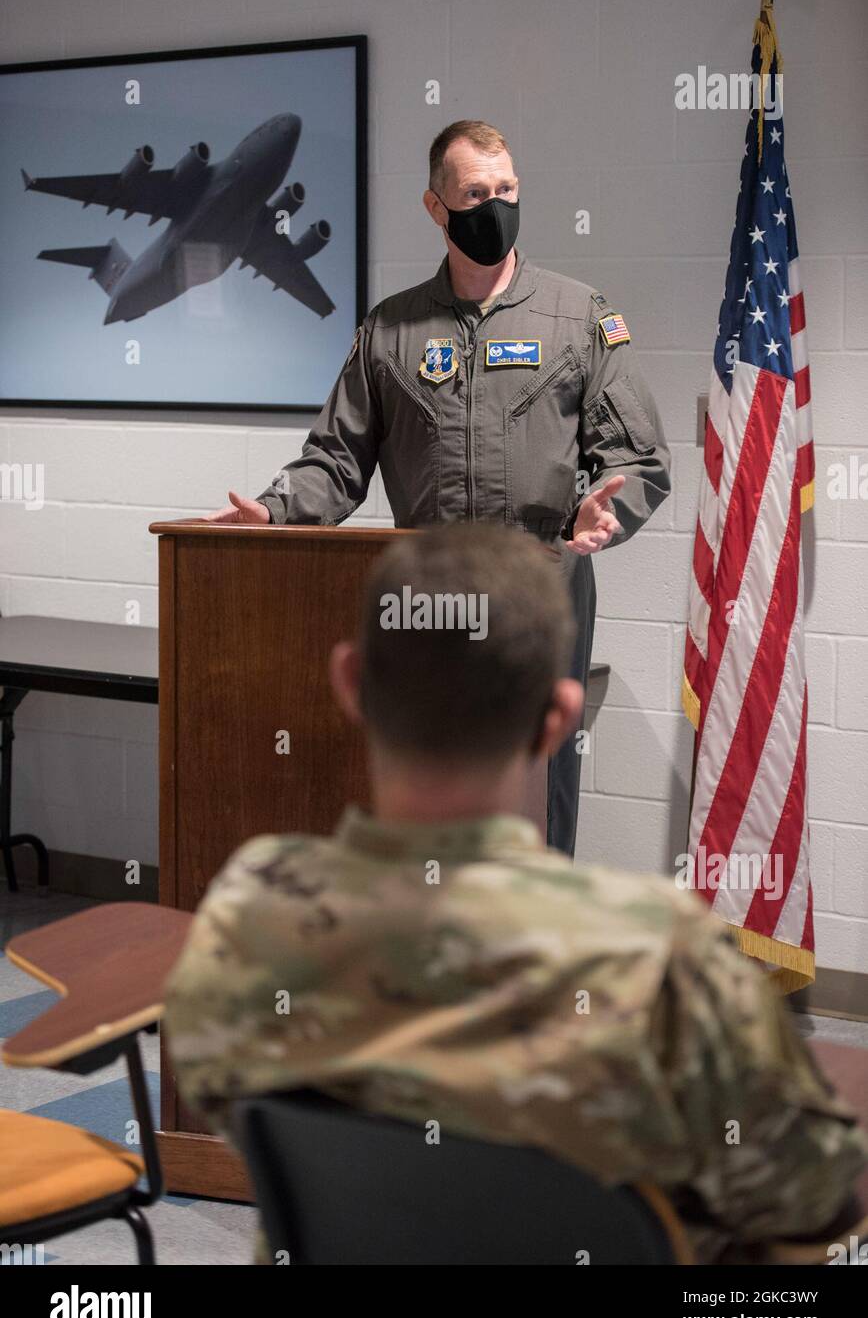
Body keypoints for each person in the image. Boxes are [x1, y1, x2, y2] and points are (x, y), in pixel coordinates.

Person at [164, 524, 867, 1264]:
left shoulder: (250, 914)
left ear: (349, 682)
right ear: (559, 717)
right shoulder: (663, 955)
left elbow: (223, 1096)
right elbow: (809, 1198)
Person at [205, 119, 671, 856]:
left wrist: (606, 516)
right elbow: (336, 459)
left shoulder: (579, 316)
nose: (495, 206)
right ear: (435, 207)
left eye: (507, 190)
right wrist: (273, 507)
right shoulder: (392, 330)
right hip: (427, 597)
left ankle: (532, 953)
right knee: (426, 785)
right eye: (475, 193)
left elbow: (640, 460)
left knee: (535, 792)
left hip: (541, 589)